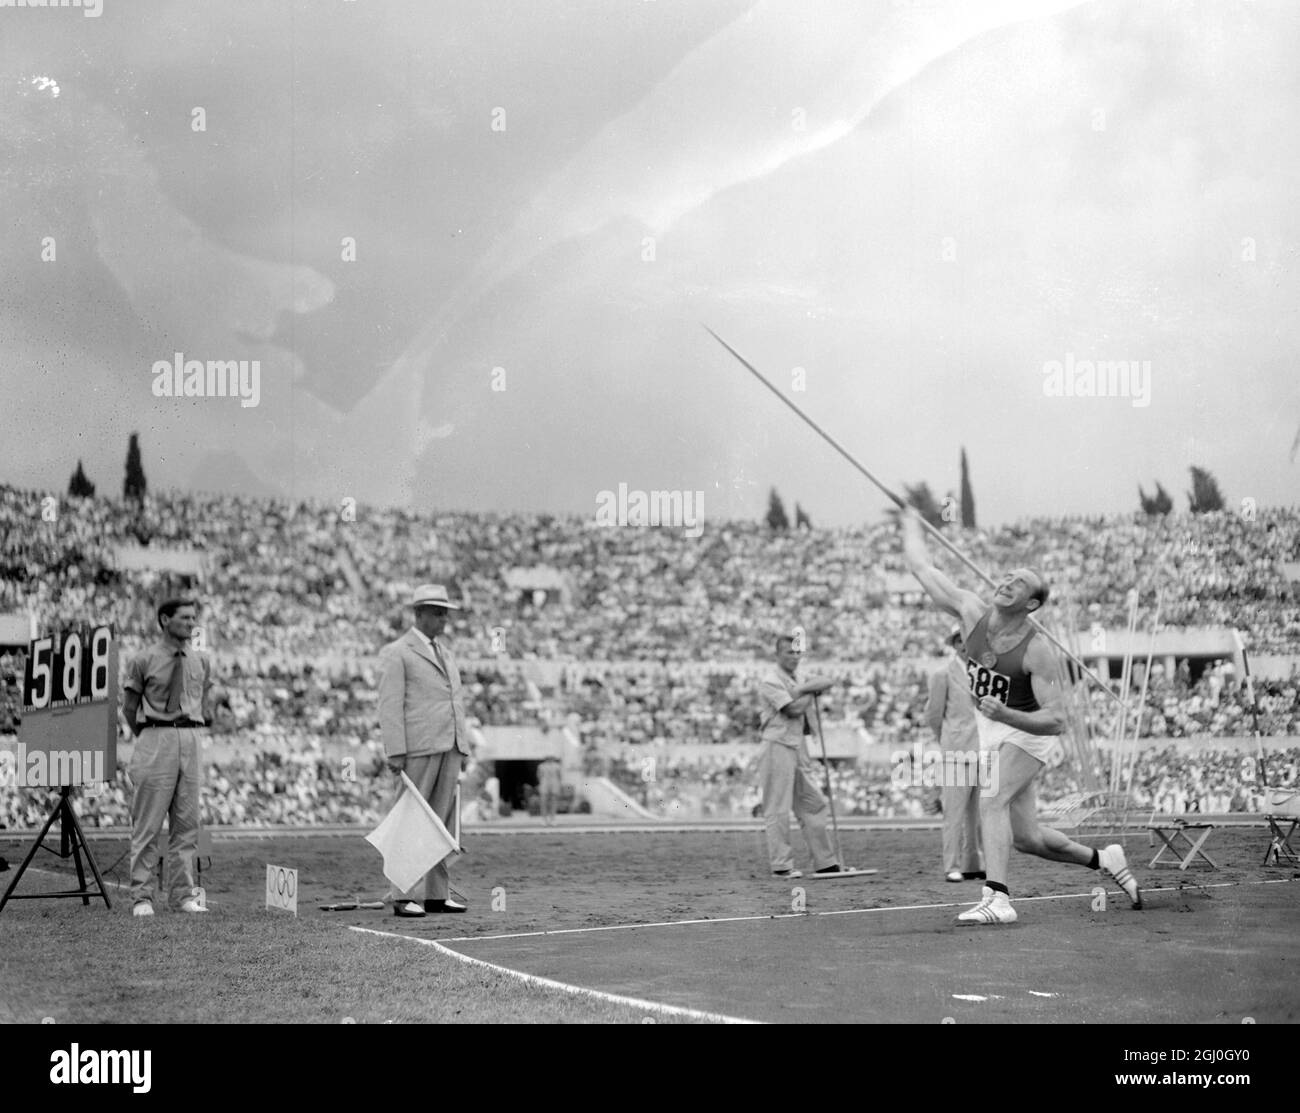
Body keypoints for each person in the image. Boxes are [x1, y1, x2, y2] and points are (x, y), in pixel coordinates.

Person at [900, 509, 1141, 924]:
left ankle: (998, 900)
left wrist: (1007, 712)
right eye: (1007, 576)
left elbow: (1056, 721)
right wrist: (909, 520)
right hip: (991, 730)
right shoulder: (970, 611)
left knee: (992, 800)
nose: (1007, 581)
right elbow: (921, 566)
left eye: (1020, 584)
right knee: (1028, 838)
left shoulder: (1036, 650)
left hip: (1027, 734)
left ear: (1030, 604)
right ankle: (1105, 857)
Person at [378, 584, 471, 916]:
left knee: (441, 823)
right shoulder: (398, 651)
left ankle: (436, 894)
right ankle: (402, 895)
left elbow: (453, 701)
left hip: (449, 745)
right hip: (417, 747)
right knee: (410, 821)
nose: (444, 618)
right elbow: (389, 706)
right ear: (418, 614)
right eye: (436, 611)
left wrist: (463, 742)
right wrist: (395, 750)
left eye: (445, 612)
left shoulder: (446, 653)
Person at [122, 597, 213, 917]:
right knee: (148, 823)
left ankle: (183, 896)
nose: (191, 623)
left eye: (193, 618)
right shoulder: (143, 659)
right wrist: (149, 737)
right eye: (184, 618)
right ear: (164, 620)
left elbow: (206, 702)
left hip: (190, 736)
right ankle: (142, 897)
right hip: (155, 735)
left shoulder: (201, 661)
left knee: (187, 824)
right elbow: (129, 708)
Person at [756, 634, 850, 878]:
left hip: (798, 746)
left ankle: (826, 862)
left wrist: (804, 687)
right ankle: (781, 865)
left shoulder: (797, 677)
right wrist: (811, 691)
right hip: (777, 744)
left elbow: (827, 680)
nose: (795, 657)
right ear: (777, 654)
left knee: (814, 802)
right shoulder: (770, 680)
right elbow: (793, 709)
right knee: (778, 807)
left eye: (798, 653)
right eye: (789, 652)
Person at [924, 626, 985, 883]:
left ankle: (973, 863)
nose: (964, 645)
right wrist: (948, 740)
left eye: (967, 640)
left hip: (983, 750)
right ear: (953, 644)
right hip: (956, 750)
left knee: (979, 812)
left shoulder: (985, 673)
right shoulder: (943, 674)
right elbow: (933, 715)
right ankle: (952, 865)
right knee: (954, 813)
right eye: (959, 640)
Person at [537, 753, 563, 826]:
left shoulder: (557, 766)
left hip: (554, 784)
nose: (549, 759)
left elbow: (559, 776)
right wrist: (542, 783)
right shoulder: (541, 766)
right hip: (544, 784)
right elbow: (539, 776)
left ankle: (552, 819)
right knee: (543, 802)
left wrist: (559, 786)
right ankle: (544, 819)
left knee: (553, 802)